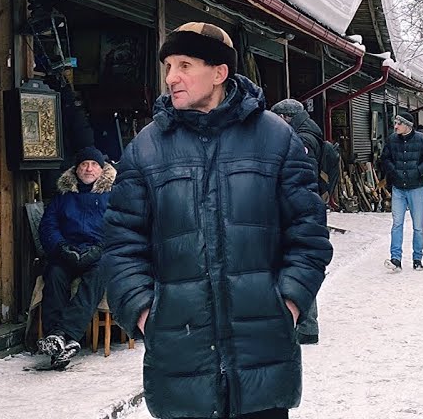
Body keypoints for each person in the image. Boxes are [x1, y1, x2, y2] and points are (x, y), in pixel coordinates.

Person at [104, 22, 331, 419]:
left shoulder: (276, 140)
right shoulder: (145, 149)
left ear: (219, 73)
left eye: (185, 65)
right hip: (180, 356)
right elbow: (122, 244)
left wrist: (288, 303)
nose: (171, 77)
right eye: (168, 66)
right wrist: (144, 313)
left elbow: (308, 234)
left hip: (261, 355)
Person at [38, 146, 115, 368]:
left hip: (98, 254)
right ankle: (57, 338)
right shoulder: (64, 196)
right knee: (54, 275)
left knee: (97, 276)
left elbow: (119, 226)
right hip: (68, 251)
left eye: (94, 165)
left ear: (102, 170)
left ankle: (66, 334)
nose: (88, 169)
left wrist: (100, 249)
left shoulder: (113, 195)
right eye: (84, 164)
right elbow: (48, 226)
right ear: (76, 169)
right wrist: (61, 247)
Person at [270, 98, 327, 346]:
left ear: (286, 118)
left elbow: (302, 177)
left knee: (299, 262)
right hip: (303, 208)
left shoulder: (302, 140)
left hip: (299, 210)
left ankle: (307, 325)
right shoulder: (307, 133)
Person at [379, 114, 423, 272]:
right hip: (398, 188)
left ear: (407, 125)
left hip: (416, 188)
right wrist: (393, 171)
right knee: (397, 224)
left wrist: (418, 171)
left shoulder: (422, 140)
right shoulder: (392, 140)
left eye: (398, 123)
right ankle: (395, 258)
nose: (395, 126)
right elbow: (385, 158)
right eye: (395, 123)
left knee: (418, 226)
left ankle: (417, 258)